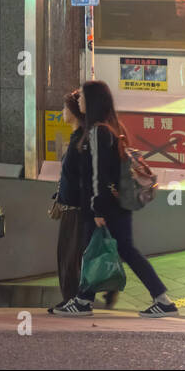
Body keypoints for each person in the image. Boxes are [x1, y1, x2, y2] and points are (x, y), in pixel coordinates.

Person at [55, 81, 178, 318]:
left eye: (82, 96)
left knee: (106, 250)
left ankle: (161, 300)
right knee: (118, 250)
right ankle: (85, 299)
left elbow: (98, 175)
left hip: (106, 207)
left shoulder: (98, 132)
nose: (78, 99)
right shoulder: (110, 128)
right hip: (116, 205)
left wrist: (98, 210)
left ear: (92, 100)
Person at [49, 90, 115, 311]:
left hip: (77, 208)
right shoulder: (77, 138)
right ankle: (71, 298)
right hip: (71, 206)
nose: (62, 112)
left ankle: (75, 299)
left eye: (65, 108)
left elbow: (88, 176)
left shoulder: (83, 139)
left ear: (74, 112)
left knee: (71, 258)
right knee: (67, 256)